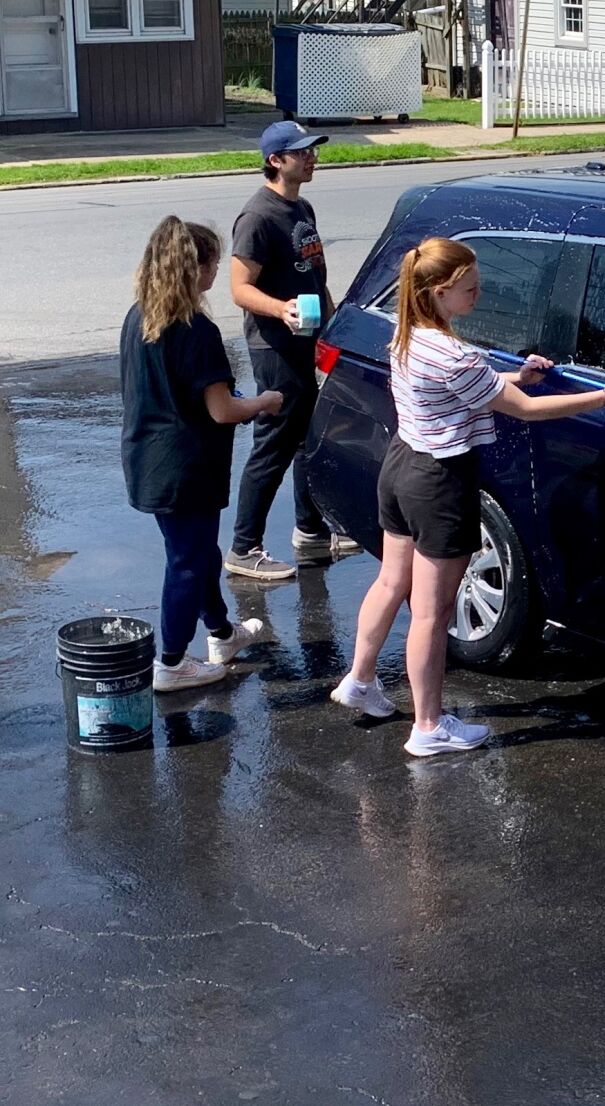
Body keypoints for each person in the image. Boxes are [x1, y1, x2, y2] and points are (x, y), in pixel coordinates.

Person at [329, 237, 605, 757]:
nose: (481, 293)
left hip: (402, 464)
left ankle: (360, 681)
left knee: (391, 579)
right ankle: (428, 727)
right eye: (471, 288)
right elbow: (522, 410)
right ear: (439, 291)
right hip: (439, 481)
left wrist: (515, 376)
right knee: (432, 613)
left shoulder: (408, 333)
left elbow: (472, 385)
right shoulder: (452, 352)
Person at [121, 217, 284, 692]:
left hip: (148, 460)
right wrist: (265, 402)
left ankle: (222, 634)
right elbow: (222, 410)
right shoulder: (196, 331)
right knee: (188, 563)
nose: (219, 269)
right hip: (185, 467)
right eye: (214, 261)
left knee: (195, 552)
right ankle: (171, 662)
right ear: (198, 268)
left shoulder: (141, 316)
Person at [225, 120, 356, 582]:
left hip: (309, 341)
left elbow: (314, 276)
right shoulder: (258, 217)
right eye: (301, 152)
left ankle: (311, 530)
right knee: (275, 444)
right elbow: (240, 289)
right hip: (275, 346)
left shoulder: (302, 207)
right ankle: (243, 547)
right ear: (275, 160)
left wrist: (334, 321)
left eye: (313, 151)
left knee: (308, 436)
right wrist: (281, 310)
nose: (312, 158)